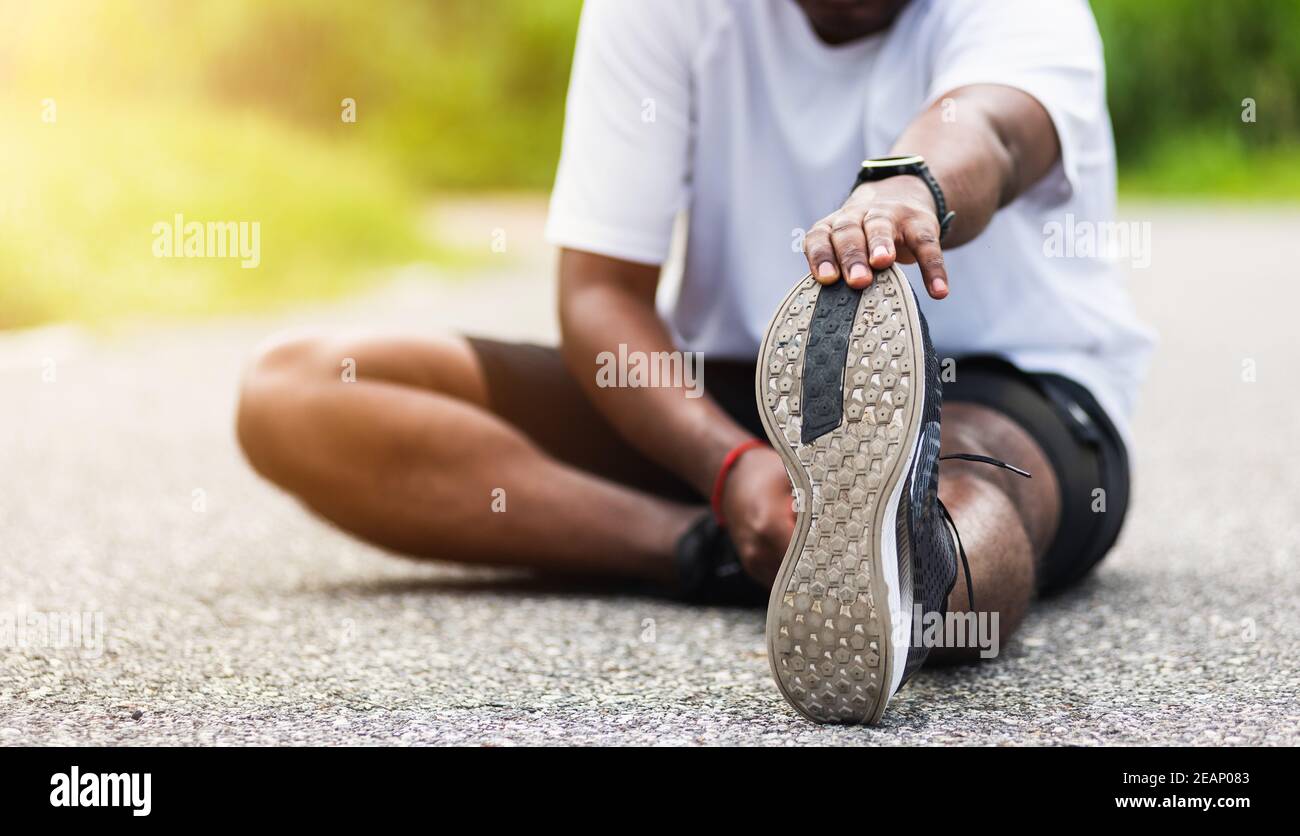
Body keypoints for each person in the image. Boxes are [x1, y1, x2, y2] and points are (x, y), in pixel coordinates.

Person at [235, 0, 1153, 720]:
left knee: (979, 486)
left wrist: (909, 185)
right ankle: (724, 548)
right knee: (297, 387)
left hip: (1005, 382)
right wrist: (726, 467)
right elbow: (601, 295)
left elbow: (993, 131)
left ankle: (907, 557)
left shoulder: (1028, 9)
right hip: (747, 390)